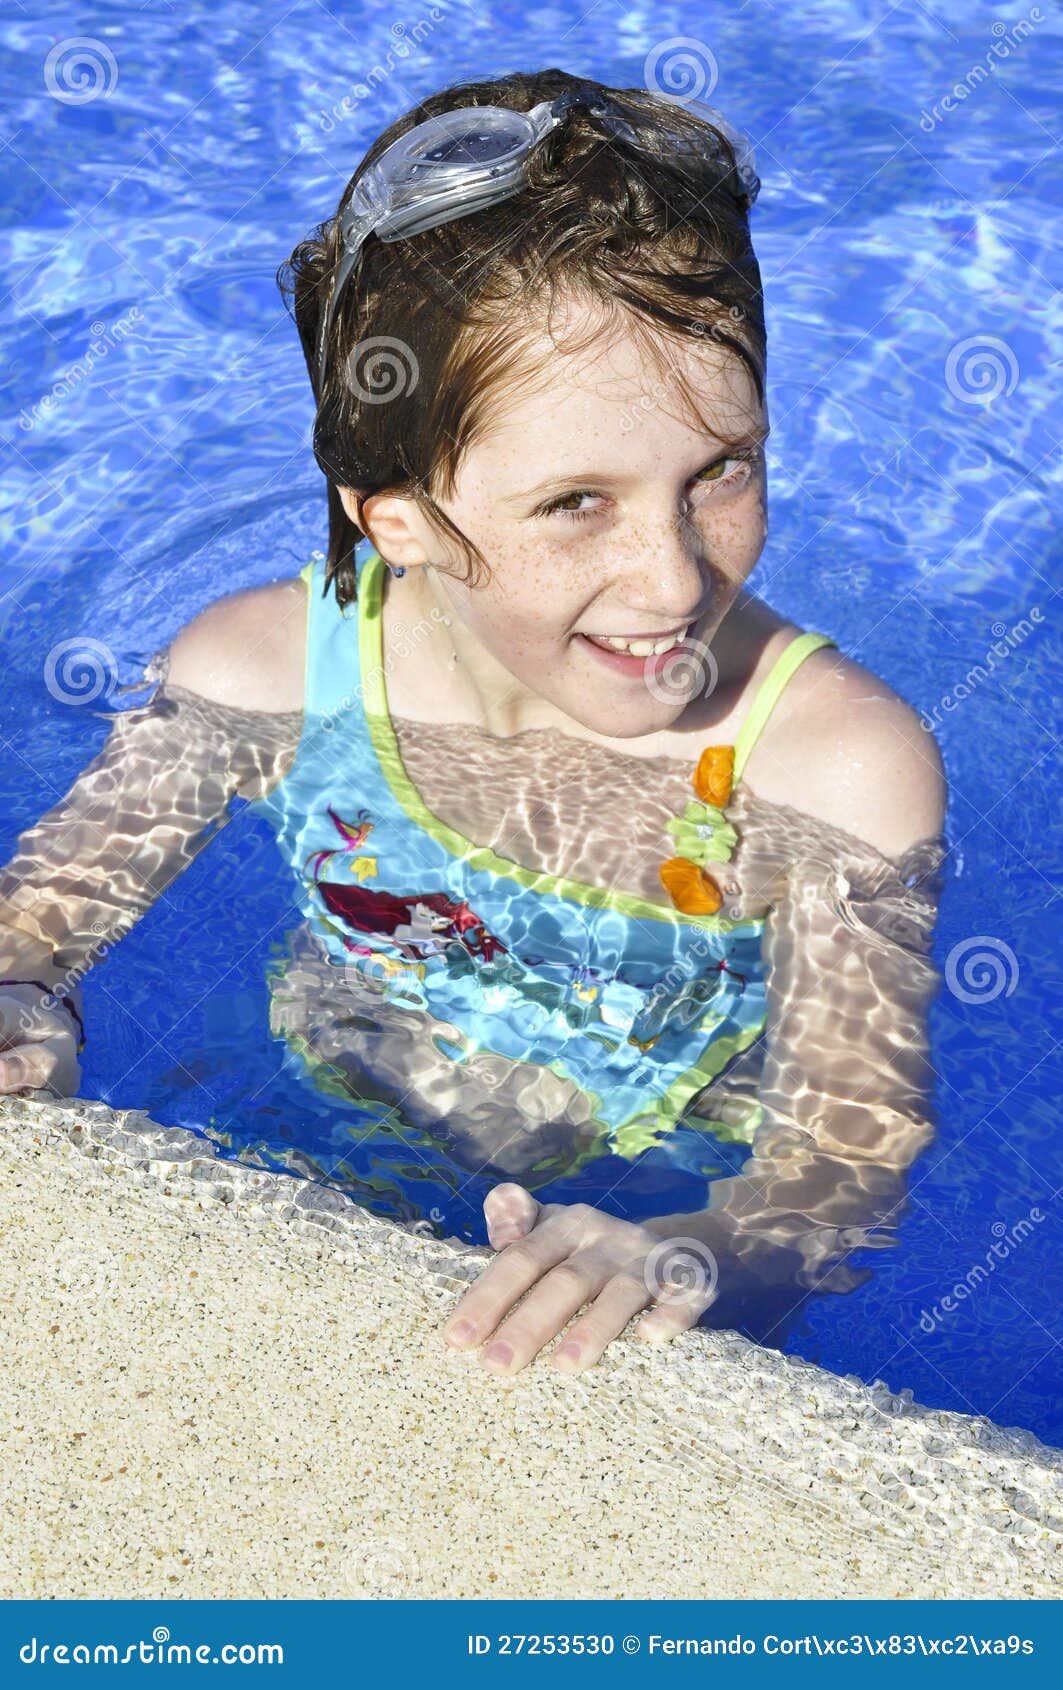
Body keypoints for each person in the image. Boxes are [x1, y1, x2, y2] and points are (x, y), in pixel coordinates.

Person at [0, 67, 946, 1376]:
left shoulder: (838, 764)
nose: (675, 579)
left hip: (653, 1161)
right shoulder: (263, 672)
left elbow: (844, 1159)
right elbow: (31, 932)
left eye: (719, 469)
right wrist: (27, 1002)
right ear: (399, 518)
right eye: (576, 503)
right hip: (333, 1074)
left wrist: (704, 1250)